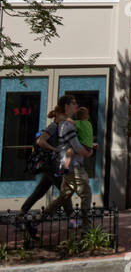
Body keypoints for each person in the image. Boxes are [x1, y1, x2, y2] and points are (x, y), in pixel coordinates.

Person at [42, 95, 93, 226]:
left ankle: (36, 221)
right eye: (73, 102)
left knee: (63, 197)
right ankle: (87, 228)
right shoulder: (67, 126)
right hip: (74, 167)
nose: (76, 105)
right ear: (66, 106)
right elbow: (77, 147)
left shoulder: (68, 124)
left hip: (70, 166)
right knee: (86, 194)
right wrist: (88, 152)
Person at [17, 106, 64, 221]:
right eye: (64, 114)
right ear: (58, 114)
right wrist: (54, 149)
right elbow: (40, 141)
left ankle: (21, 215)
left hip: (50, 165)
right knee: (65, 190)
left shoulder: (60, 127)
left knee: (40, 191)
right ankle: (73, 218)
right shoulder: (53, 126)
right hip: (49, 165)